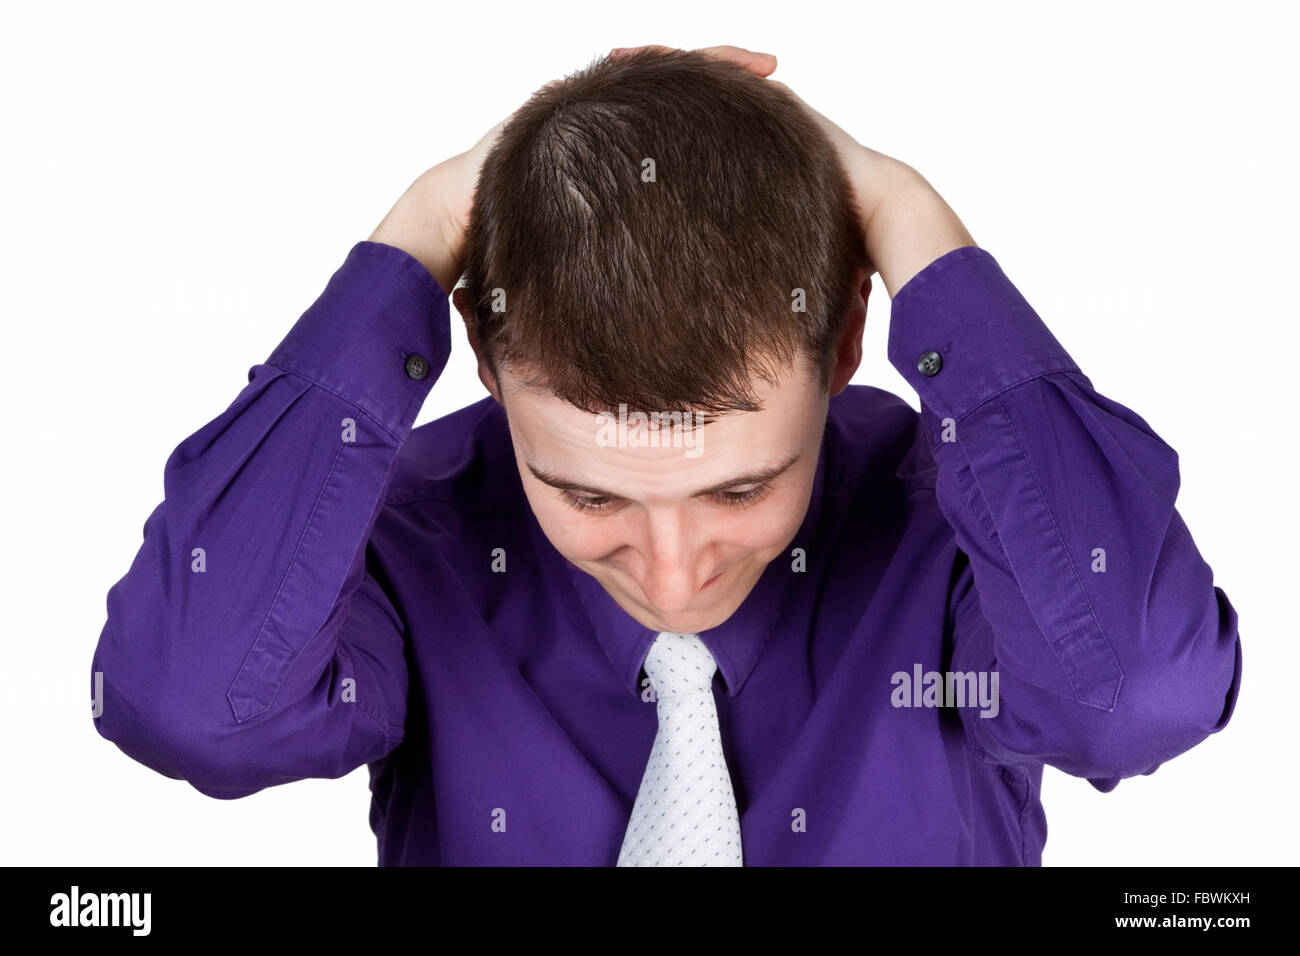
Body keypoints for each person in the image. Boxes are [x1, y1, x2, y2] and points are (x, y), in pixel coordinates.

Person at [89, 45, 1242, 866]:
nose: (674, 572)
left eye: (741, 485)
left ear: (846, 341)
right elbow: (191, 706)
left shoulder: (962, 532)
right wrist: (427, 224)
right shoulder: (404, 543)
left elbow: (1134, 696)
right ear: (486, 365)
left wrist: (903, 214)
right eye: (586, 491)